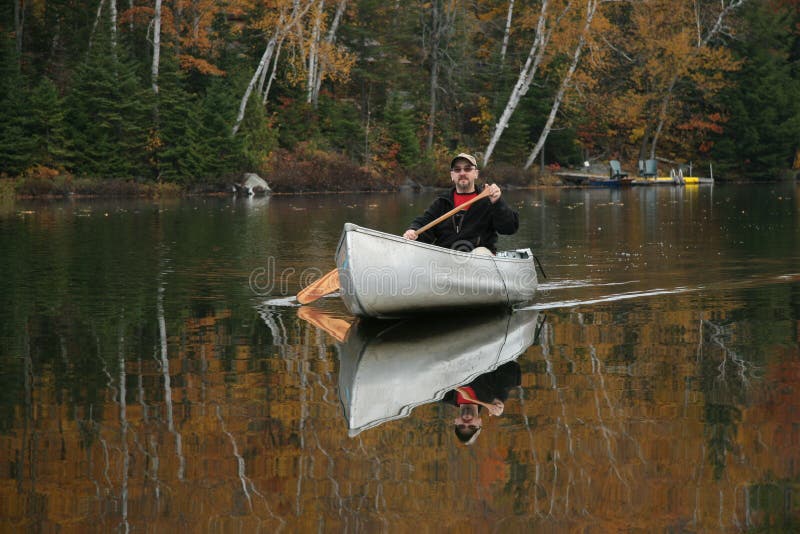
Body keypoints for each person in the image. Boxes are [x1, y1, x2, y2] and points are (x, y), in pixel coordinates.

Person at [402, 153, 519, 254]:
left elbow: (509, 228)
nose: (462, 173)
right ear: (452, 175)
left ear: (476, 174)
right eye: (457, 170)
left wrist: (497, 202)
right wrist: (413, 231)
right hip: (446, 259)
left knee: (480, 253)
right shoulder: (442, 202)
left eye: (467, 169)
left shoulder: (488, 201)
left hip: (482, 259)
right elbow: (424, 223)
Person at [441, 361, 522, 445]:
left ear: (456, 422)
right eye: (471, 427)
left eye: (461, 426)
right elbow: (512, 366)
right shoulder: (492, 396)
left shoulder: (444, 396)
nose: (466, 423)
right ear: (479, 423)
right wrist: (498, 397)